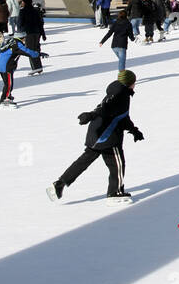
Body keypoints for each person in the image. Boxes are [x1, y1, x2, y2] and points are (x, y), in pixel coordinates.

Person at [47, 71, 143, 203]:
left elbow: (122, 116)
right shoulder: (120, 94)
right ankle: (115, 193)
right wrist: (91, 115)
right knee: (117, 164)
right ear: (130, 83)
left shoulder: (119, 91)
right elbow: (105, 108)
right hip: (107, 136)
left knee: (84, 161)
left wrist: (134, 130)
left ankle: (59, 184)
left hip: (96, 133)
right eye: (134, 82)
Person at [0, 33, 41, 107]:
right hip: (6, 66)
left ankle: (8, 96)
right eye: (24, 38)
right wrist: (37, 54)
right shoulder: (17, 44)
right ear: (22, 38)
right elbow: (26, 51)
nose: (25, 40)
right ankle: (5, 99)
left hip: (0, 64)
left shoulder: (9, 41)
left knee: (7, 83)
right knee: (9, 84)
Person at [100, 7, 135, 72]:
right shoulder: (128, 24)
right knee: (122, 62)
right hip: (122, 45)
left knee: (121, 61)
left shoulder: (115, 23)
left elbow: (109, 33)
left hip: (114, 46)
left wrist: (102, 41)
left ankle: (122, 75)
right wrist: (133, 39)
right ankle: (122, 77)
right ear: (126, 16)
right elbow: (131, 36)